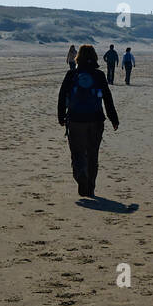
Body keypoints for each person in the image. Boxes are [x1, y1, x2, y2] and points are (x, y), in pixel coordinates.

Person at [57, 44, 119, 197]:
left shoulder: (71, 75)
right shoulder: (99, 75)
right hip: (96, 119)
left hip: (75, 119)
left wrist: (61, 116)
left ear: (78, 57)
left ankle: (80, 177)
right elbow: (107, 98)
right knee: (93, 154)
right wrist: (113, 118)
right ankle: (90, 187)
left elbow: (62, 96)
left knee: (77, 153)